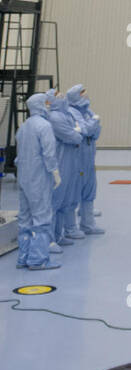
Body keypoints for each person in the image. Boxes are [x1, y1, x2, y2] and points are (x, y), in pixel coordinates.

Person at [15, 93, 62, 271]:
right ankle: (38, 260)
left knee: (25, 218)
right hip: (38, 178)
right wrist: (55, 173)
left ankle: (23, 256)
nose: (49, 105)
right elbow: (49, 154)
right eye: (47, 102)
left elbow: (19, 155)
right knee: (41, 218)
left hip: (23, 177)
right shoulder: (44, 126)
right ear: (42, 104)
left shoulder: (24, 126)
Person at [66, 85, 105, 235]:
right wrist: (93, 125)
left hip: (88, 155)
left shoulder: (87, 111)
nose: (86, 96)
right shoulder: (72, 112)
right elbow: (86, 130)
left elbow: (95, 132)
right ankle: (72, 227)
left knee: (89, 188)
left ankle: (88, 223)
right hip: (78, 157)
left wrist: (92, 126)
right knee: (76, 190)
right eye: (82, 94)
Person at [47, 91, 84, 245]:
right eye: (57, 94)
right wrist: (77, 132)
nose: (61, 96)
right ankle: (50, 240)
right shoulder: (55, 117)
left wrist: (76, 133)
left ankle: (58, 235)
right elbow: (73, 136)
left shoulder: (65, 115)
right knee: (55, 201)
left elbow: (77, 134)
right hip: (60, 162)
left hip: (69, 162)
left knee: (64, 201)